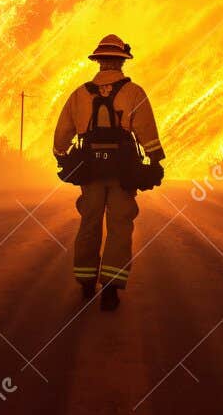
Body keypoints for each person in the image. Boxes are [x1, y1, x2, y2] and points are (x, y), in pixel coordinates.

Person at [53, 34, 165, 311]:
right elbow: (147, 129)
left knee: (89, 223)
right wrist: (155, 159)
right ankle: (111, 290)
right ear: (121, 61)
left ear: (100, 61)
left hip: (90, 171)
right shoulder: (134, 92)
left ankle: (86, 282)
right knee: (119, 227)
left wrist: (62, 155)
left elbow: (63, 132)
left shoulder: (79, 93)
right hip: (123, 172)